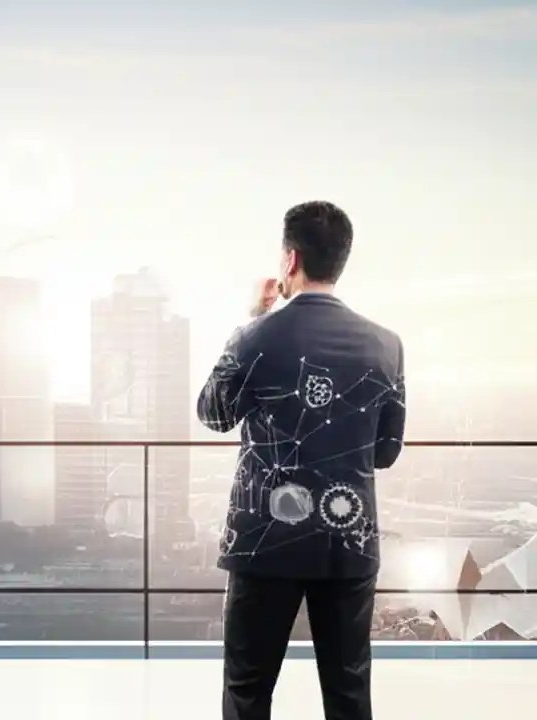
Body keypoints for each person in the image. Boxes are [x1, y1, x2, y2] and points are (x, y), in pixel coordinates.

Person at [196, 201, 406, 720]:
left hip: (264, 543)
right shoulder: (387, 345)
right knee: (348, 692)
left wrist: (253, 317)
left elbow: (213, 413)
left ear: (290, 259)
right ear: (341, 259)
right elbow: (385, 451)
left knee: (247, 689)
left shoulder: (256, 336)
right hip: (347, 541)